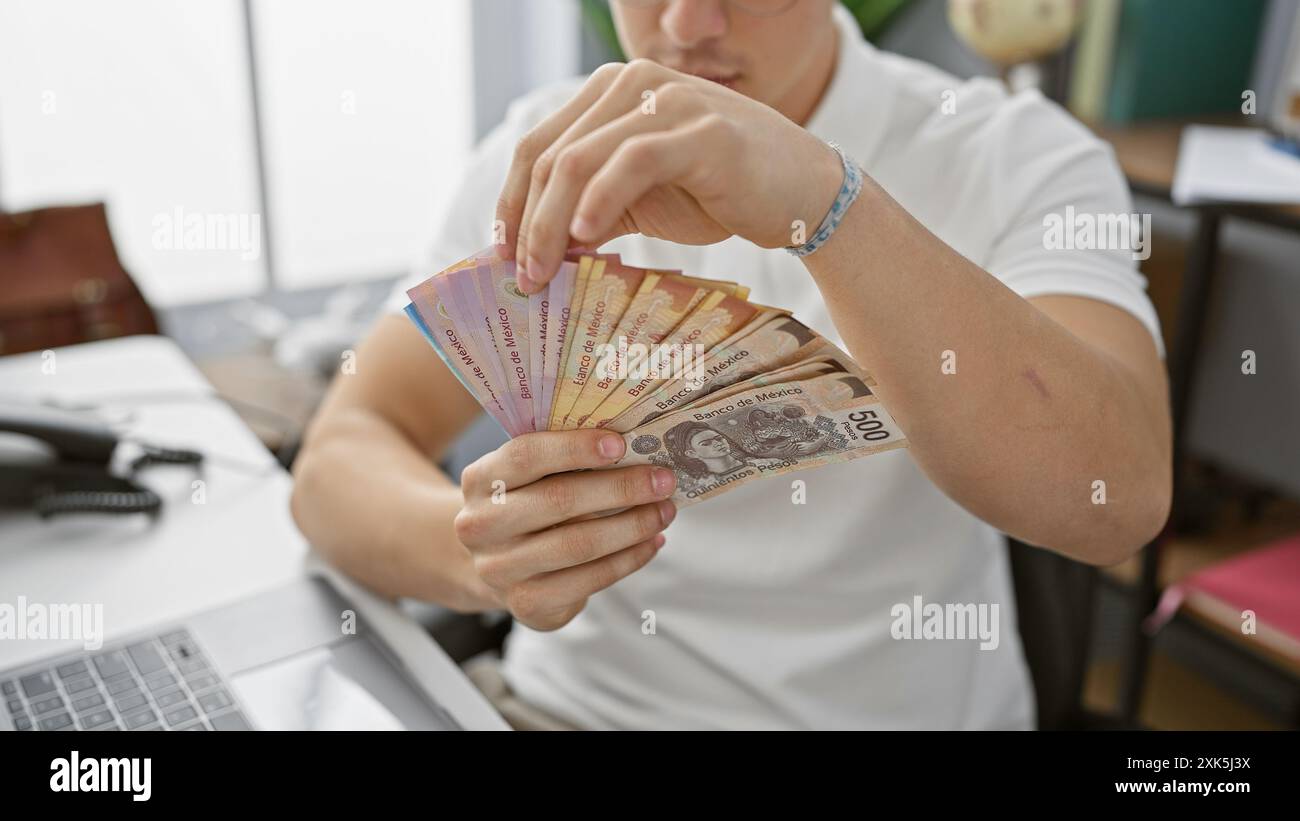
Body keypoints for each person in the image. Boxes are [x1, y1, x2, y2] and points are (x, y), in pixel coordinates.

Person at [291, 0, 1171, 730]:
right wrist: (479, 555)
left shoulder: (1012, 155)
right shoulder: (549, 142)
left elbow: (1119, 498)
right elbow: (338, 459)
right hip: (564, 713)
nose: (686, 23)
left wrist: (823, 202)